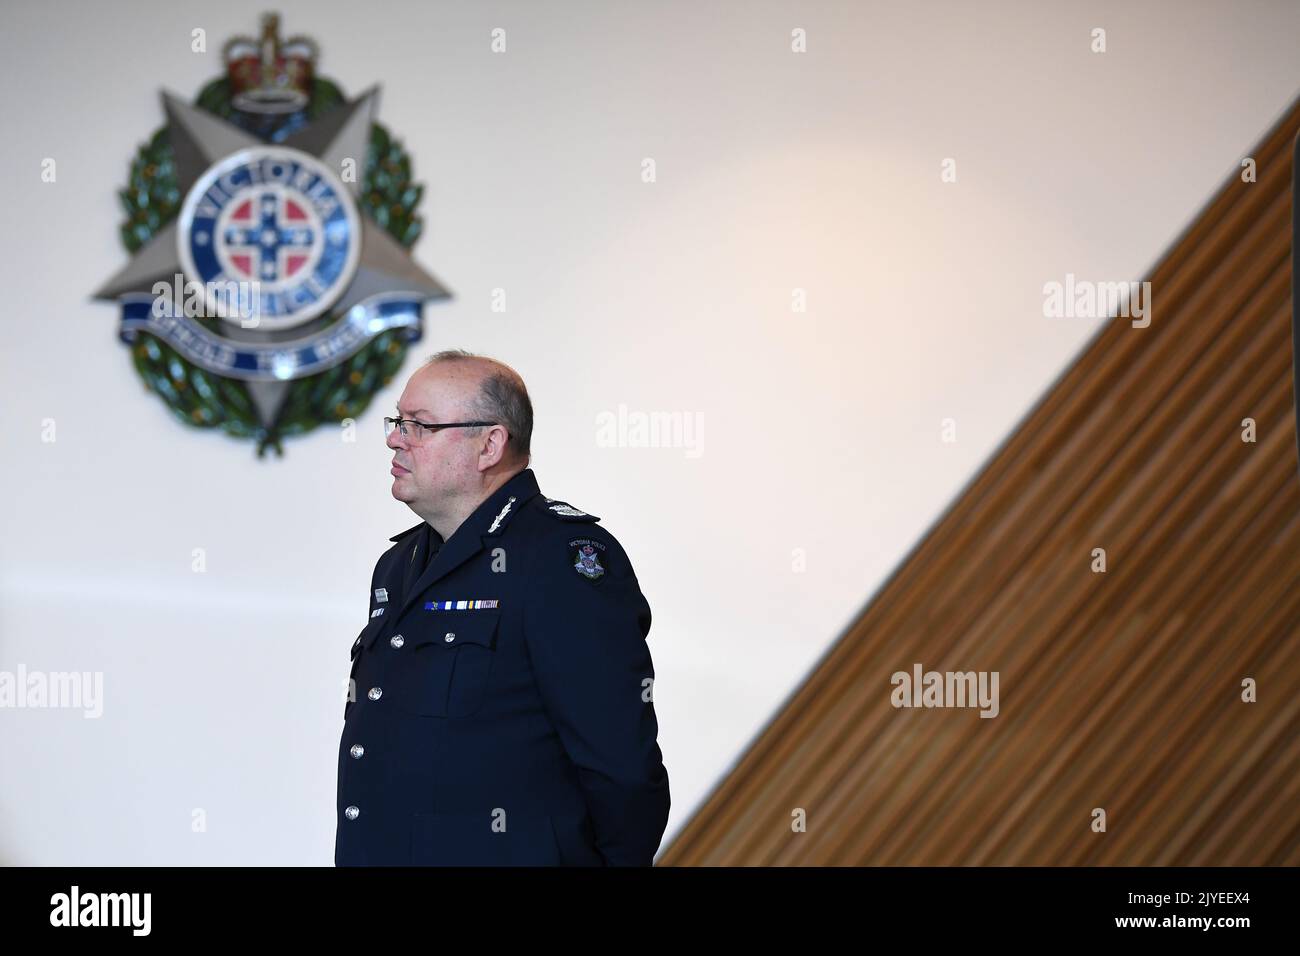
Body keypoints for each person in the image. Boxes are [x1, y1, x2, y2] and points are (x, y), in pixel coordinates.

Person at [335, 349, 670, 866]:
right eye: (397, 421)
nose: (395, 438)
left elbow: (622, 772)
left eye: (419, 425)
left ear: (490, 444)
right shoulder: (399, 563)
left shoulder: (559, 560)